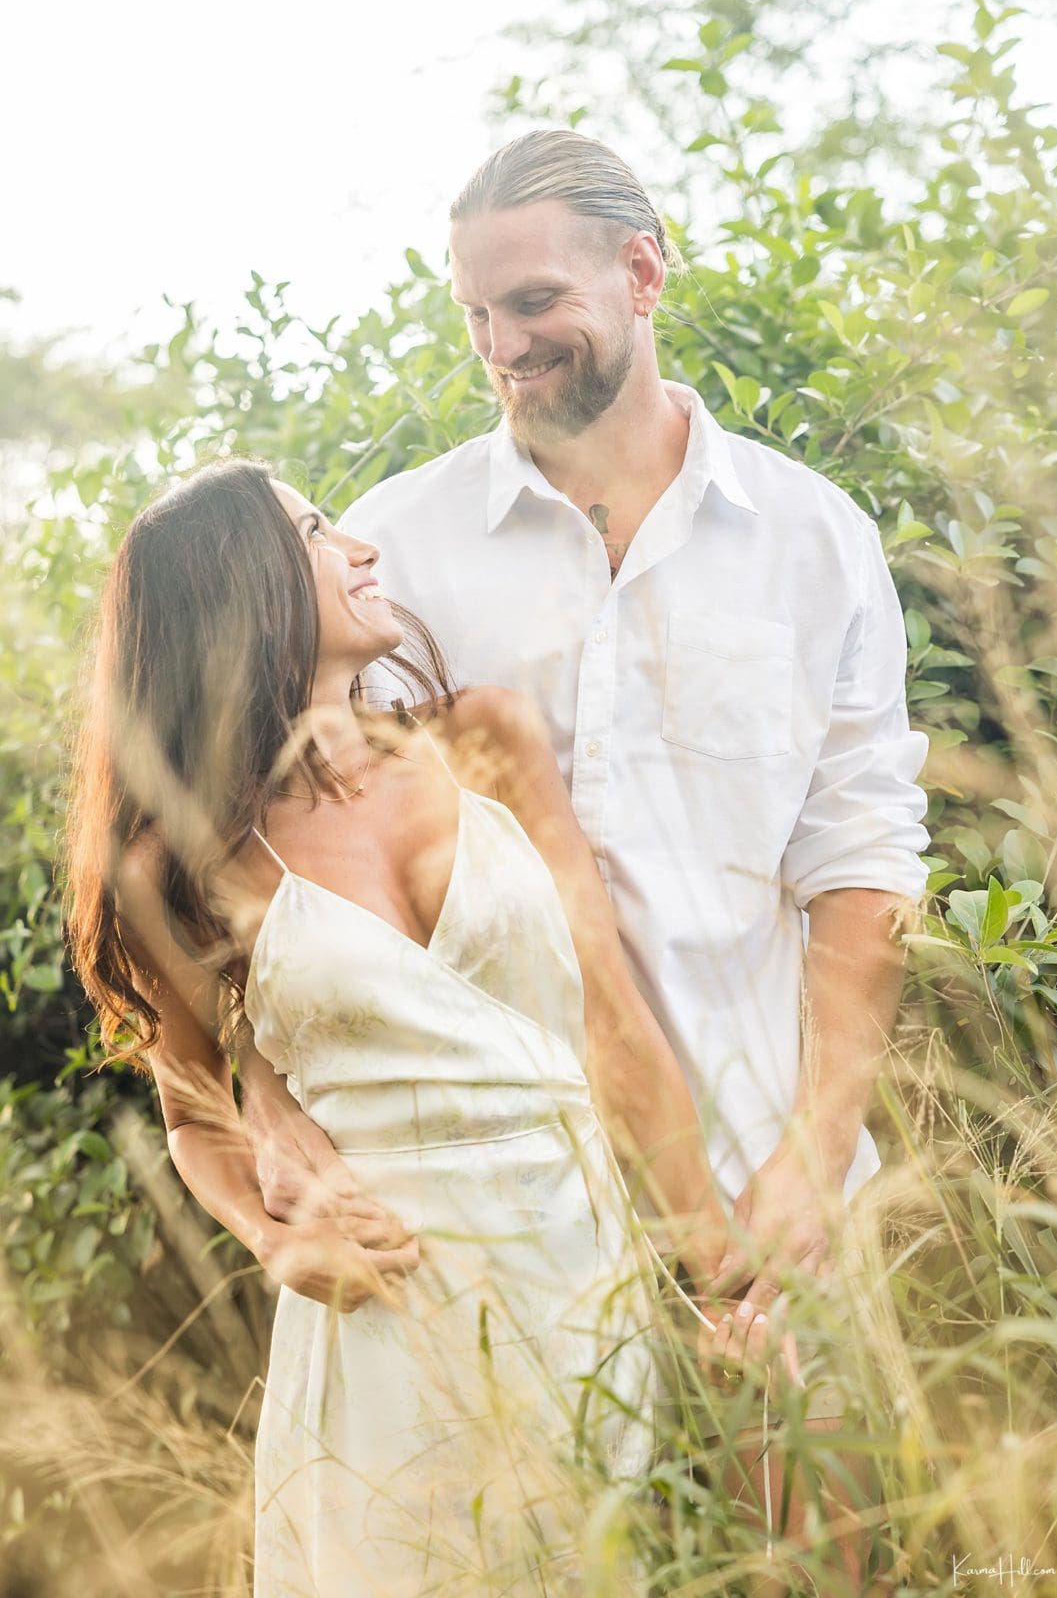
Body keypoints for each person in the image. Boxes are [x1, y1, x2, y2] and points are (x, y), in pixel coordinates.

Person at [240, 131, 930, 1586]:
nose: (502, 344)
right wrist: (267, 1133)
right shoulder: (388, 553)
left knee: (806, 1564)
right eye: (476, 313)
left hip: (762, 1179)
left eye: (534, 301)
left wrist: (807, 1165)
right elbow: (280, 880)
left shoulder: (810, 540)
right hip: (504, 1228)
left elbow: (862, 869)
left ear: (642, 268)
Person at [64, 459, 791, 1597]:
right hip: (386, 1318)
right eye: (313, 530)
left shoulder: (482, 739)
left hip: (577, 1281)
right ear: (243, 589)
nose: (358, 545)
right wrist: (277, 1243)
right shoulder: (180, 868)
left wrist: (717, 1281)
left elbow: (609, 1015)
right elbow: (194, 1117)